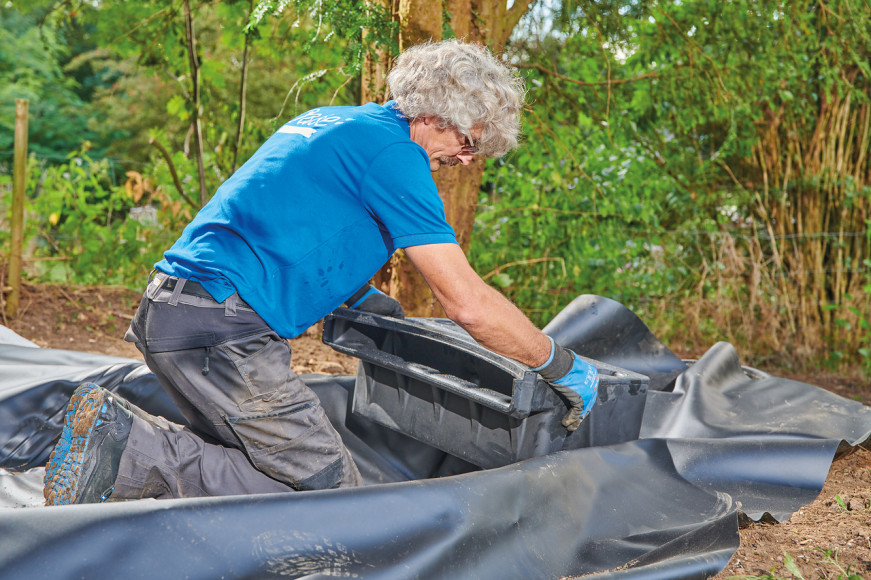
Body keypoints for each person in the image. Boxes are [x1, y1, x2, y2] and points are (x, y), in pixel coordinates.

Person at [43, 39, 599, 505]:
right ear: (436, 115)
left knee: (272, 470)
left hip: (174, 311)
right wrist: (557, 362)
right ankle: (128, 449)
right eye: (469, 142)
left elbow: (289, 220)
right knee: (332, 499)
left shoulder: (331, 122)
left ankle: (121, 454)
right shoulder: (395, 157)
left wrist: (357, 297)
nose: (468, 159)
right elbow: (468, 303)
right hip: (223, 332)